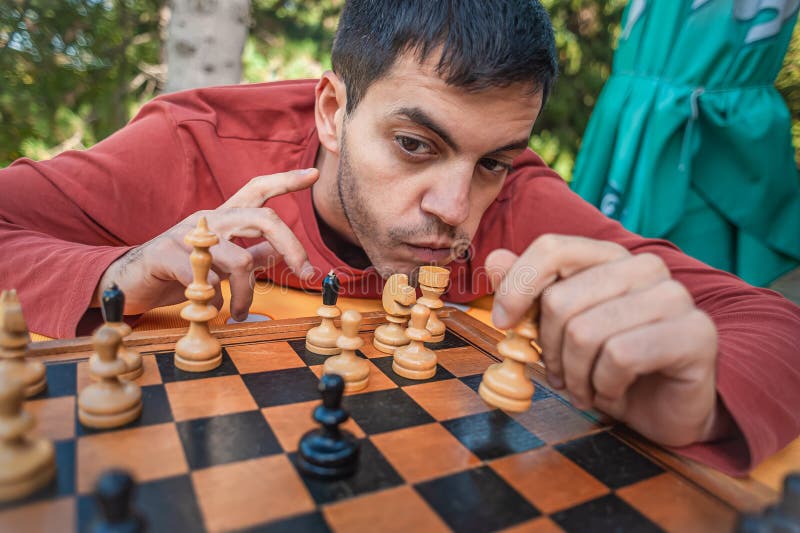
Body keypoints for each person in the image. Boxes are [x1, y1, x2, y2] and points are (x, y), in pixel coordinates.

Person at [0, 0, 798, 477]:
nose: (457, 208)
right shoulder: (195, 146)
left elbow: (776, 325)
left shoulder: (519, 201)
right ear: (331, 113)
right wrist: (124, 268)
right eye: (416, 143)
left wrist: (705, 399)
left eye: (490, 160)